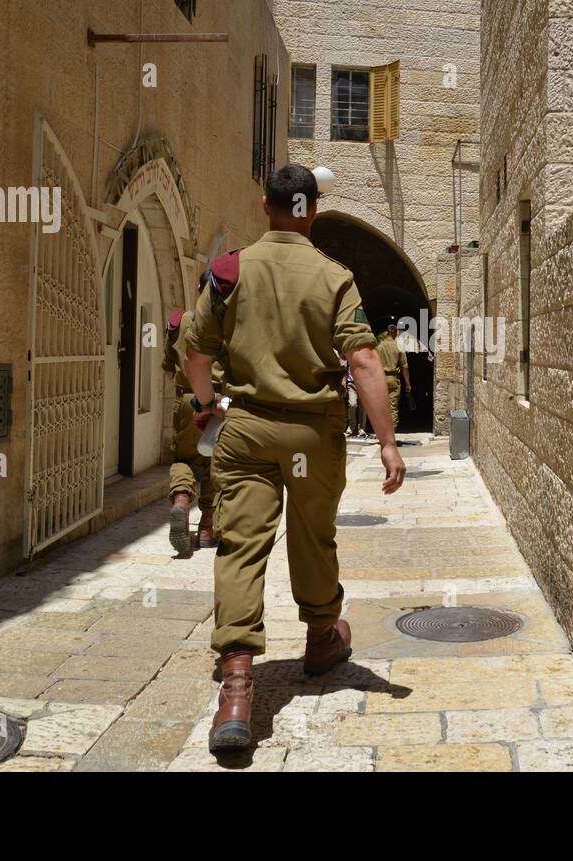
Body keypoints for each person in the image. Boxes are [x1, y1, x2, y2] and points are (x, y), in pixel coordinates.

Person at [184, 163, 406, 753]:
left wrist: (207, 407)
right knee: (313, 535)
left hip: (248, 429)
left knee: (240, 544)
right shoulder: (334, 277)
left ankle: (236, 686)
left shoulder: (230, 271)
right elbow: (362, 361)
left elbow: (196, 354)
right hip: (312, 435)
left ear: (266, 205)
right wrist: (386, 441)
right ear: (312, 210)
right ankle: (320, 640)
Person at [161, 303, 231, 556]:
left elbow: (169, 370)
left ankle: (181, 498)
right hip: (219, 401)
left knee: (184, 458)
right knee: (215, 462)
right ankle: (206, 528)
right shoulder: (229, 321)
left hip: (186, 399)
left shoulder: (178, 322)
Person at [374, 322, 411, 431]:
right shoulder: (399, 346)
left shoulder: (379, 345)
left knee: (381, 407)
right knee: (393, 408)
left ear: (387, 332)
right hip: (393, 379)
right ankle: (391, 433)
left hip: (380, 379)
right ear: (395, 333)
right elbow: (404, 366)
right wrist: (408, 383)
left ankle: (381, 433)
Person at [342, 354, 367, 438]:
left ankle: (361, 428)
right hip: (351, 384)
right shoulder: (349, 354)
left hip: (363, 384)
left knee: (363, 406)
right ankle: (351, 427)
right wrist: (344, 382)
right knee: (352, 404)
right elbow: (344, 369)